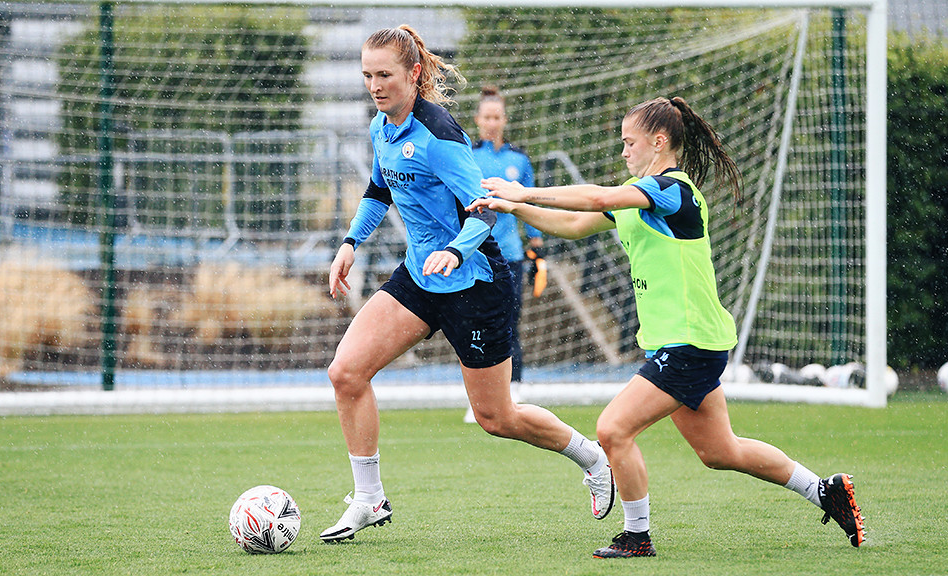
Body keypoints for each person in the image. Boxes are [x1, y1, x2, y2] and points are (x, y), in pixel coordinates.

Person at [469, 96, 865, 558]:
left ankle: (637, 536)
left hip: (689, 342)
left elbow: (597, 195)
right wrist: (513, 208)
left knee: (613, 429)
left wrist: (526, 192)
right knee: (721, 451)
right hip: (684, 343)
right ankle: (824, 491)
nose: (623, 152)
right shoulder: (640, 198)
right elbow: (574, 224)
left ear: (659, 142)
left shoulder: (672, 190)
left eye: (628, 143)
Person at [319, 25, 614, 544]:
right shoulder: (381, 129)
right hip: (420, 277)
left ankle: (591, 456)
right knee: (346, 372)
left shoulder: (442, 137)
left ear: (413, 74)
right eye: (366, 75)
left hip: (475, 282)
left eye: (384, 74)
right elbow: (377, 189)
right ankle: (369, 498)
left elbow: (485, 211)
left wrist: (454, 249)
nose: (374, 85)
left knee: (496, 418)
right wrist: (349, 243)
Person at [471, 85, 545, 385]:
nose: (492, 123)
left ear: (504, 120)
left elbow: (530, 206)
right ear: (478, 120)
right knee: (477, 324)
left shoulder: (520, 160)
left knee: (510, 321)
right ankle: (481, 391)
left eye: (497, 117)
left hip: (511, 255)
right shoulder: (469, 157)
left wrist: (537, 249)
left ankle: (514, 387)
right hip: (475, 254)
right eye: (486, 117)